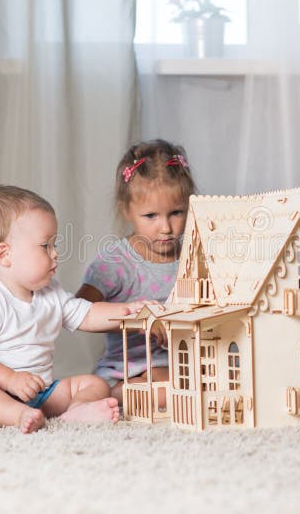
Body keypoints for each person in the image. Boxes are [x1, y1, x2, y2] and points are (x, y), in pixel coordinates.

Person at [0, 185, 141, 433]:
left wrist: (131, 311)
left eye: (55, 244)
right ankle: (16, 415)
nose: (55, 254)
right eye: (45, 246)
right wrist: (9, 379)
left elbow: (88, 314)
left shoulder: (51, 292)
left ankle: (77, 411)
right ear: (5, 254)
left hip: (39, 393)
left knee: (94, 383)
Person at [76, 140, 196, 403]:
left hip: (173, 361)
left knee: (187, 385)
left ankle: (128, 396)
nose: (166, 227)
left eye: (176, 212)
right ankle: (115, 393)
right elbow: (78, 310)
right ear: (126, 210)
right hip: (124, 366)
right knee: (172, 391)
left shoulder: (193, 256)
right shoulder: (115, 263)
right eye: (151, 216)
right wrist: (136, 315)